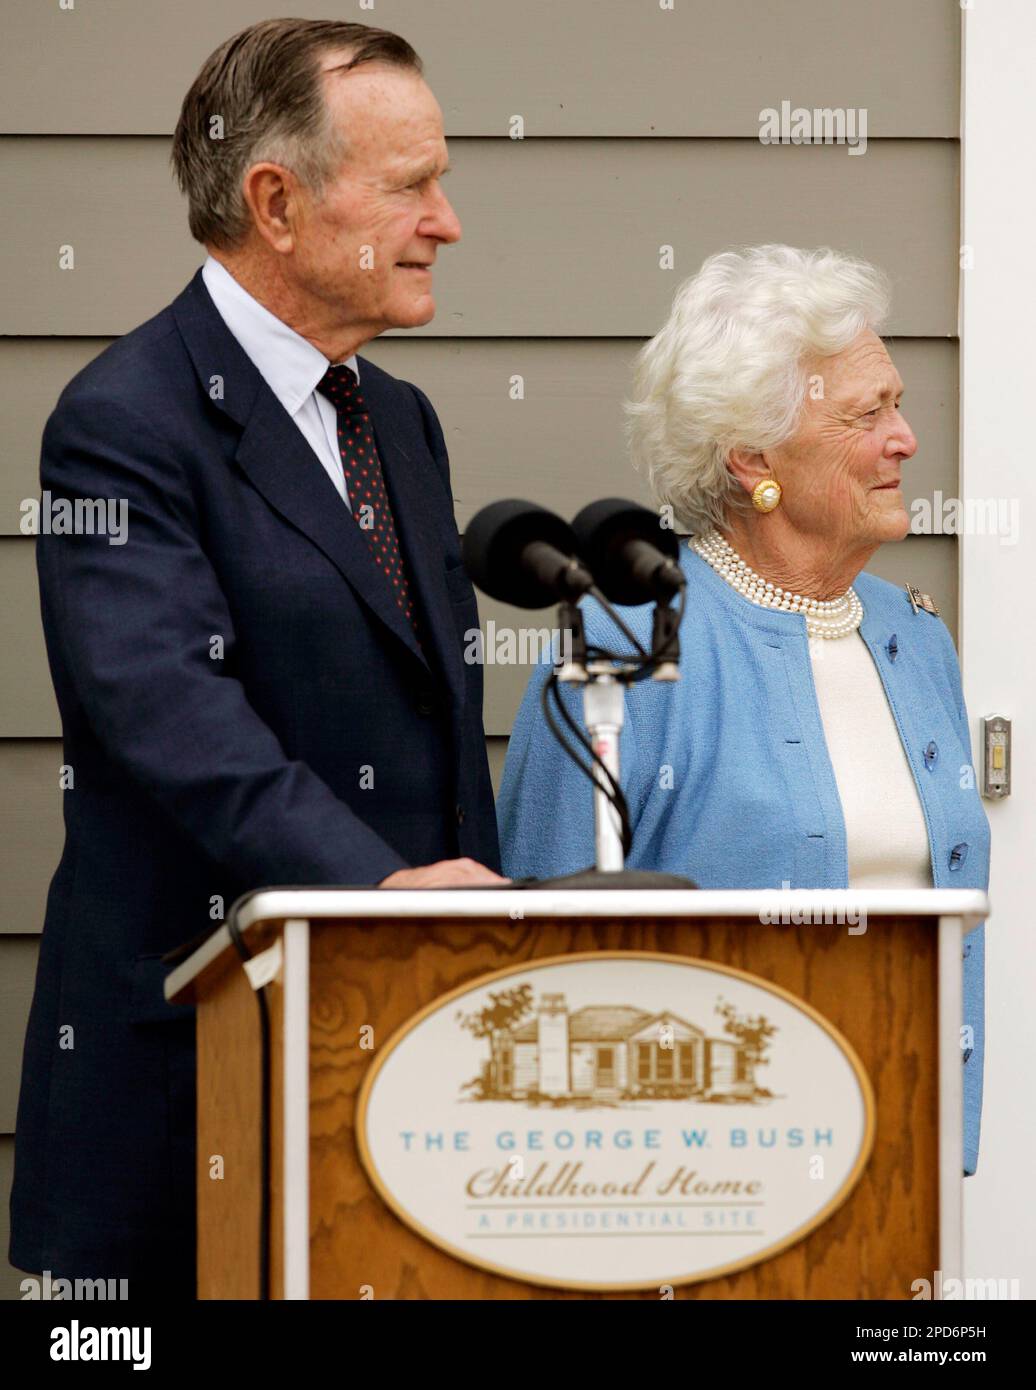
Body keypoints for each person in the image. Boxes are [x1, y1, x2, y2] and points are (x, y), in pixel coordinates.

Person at [10, 17, 506, 1299]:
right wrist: (376, 892)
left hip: (405, 1067)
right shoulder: (122, 421)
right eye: (410, 185)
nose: (445, 221)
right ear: (274, 201)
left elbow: (434, 730)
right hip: (194, 1076)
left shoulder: (398, 417)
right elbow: (167, 715)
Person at [498, 244, 990, 1176]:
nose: (906, 438)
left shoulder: (912, 637)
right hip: (706, 1172)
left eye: (898, 403)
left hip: (907, 1152)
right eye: (867, 413)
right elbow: (536, 944)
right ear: (754, 456)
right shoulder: (627, 642)